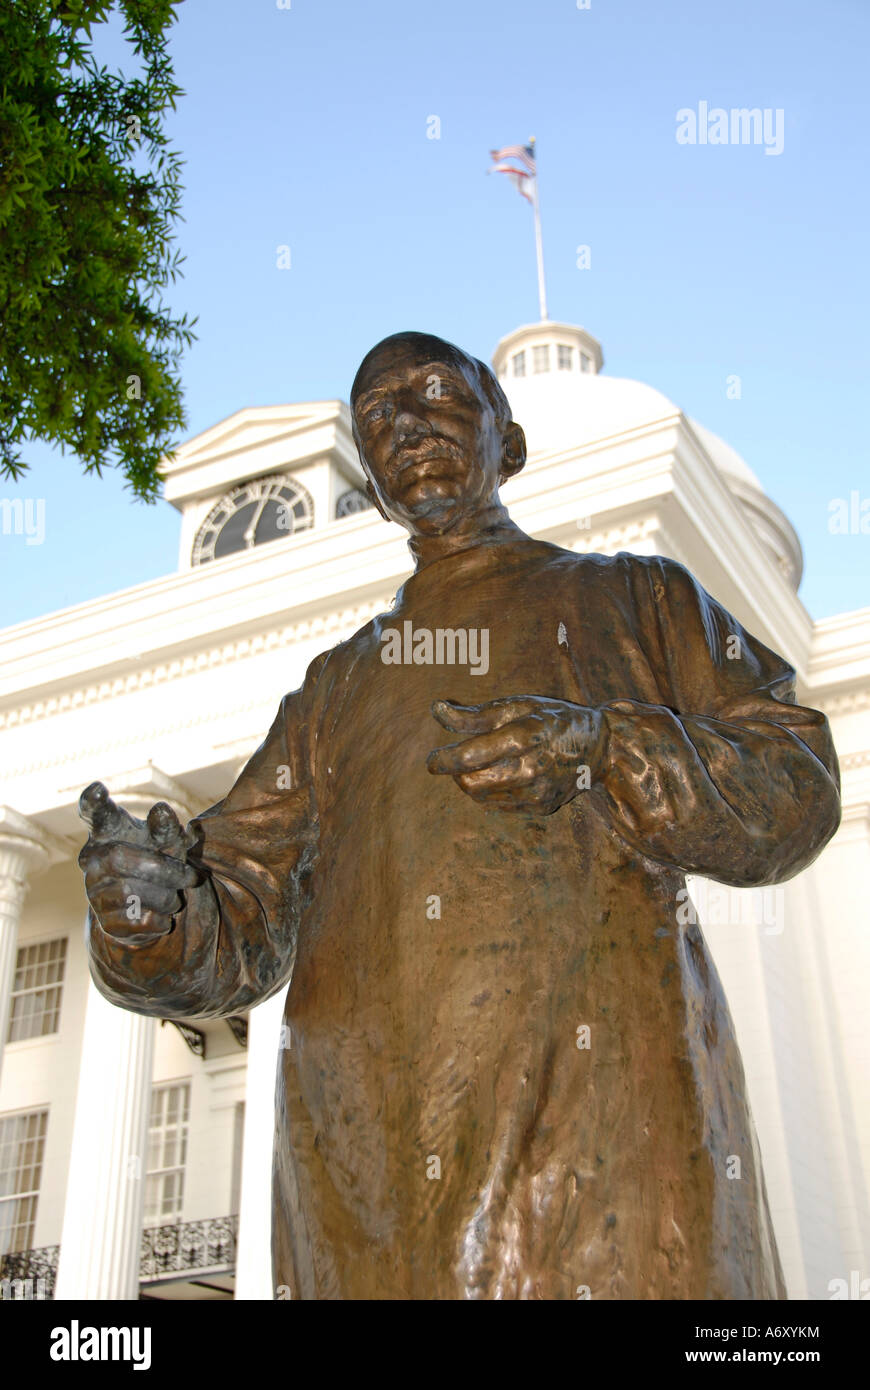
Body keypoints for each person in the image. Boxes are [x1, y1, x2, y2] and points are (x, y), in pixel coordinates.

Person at [80, 331, 840, 1299]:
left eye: (436, 392)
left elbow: (796, 777)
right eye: (377, 417)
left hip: (612, 1145)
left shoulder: (637, 599)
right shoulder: (337, 689)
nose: (405, 423)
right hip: (376, 1181)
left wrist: (603, 745)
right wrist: (153, 915)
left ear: (507, 438)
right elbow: (239, 914)